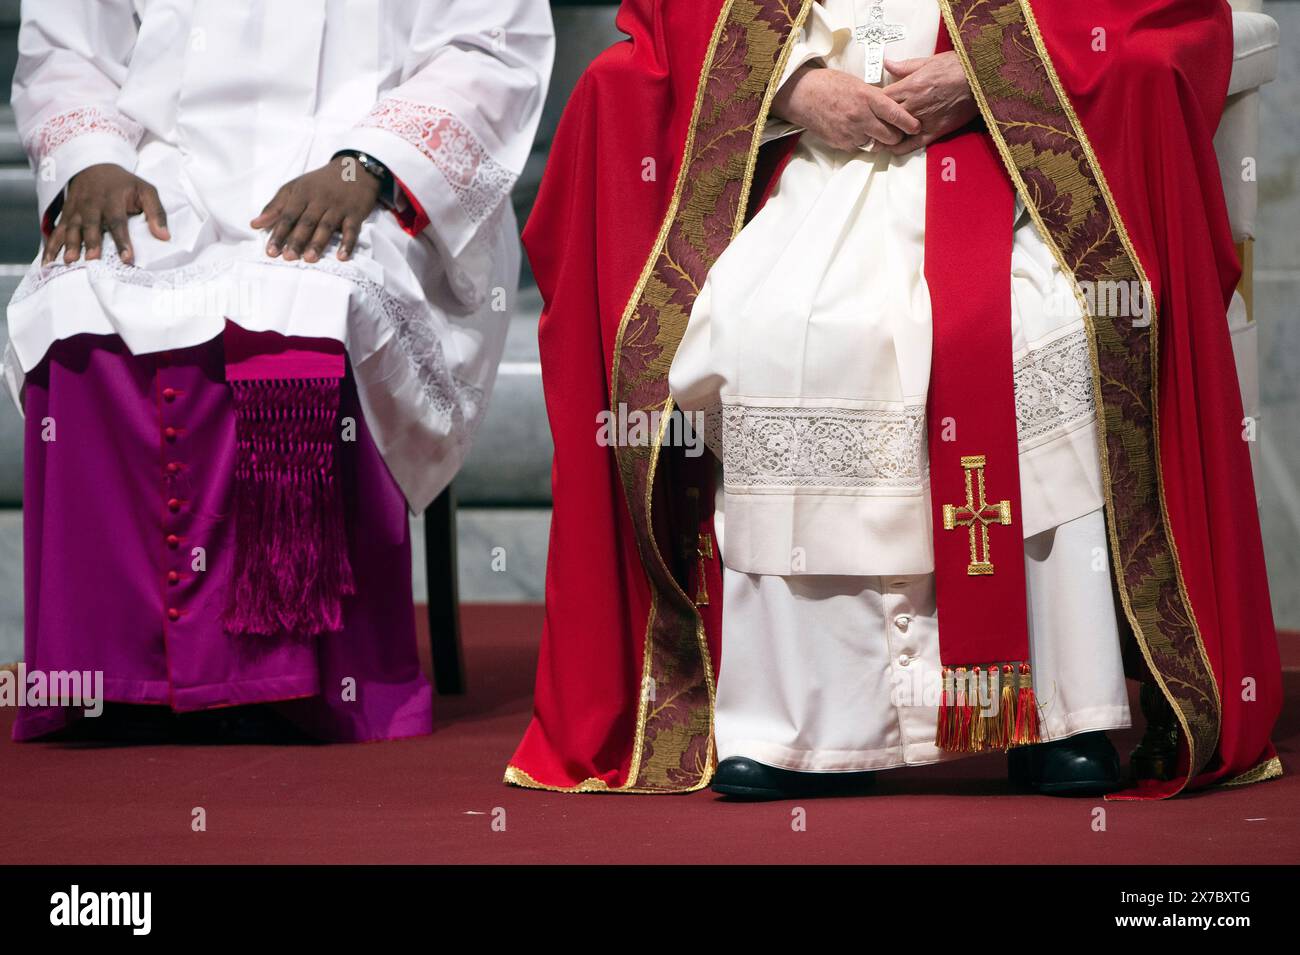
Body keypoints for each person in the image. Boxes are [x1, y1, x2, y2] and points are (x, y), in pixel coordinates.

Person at [506, 0, 1281, 800]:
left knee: (1030, 323)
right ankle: (805, 722)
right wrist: (791, 84)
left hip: (1009, 152)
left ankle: (1053, 710)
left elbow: (1153, 18)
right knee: (776, 326)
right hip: (807, 156)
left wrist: (993, 74)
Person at [6, 0, 553, 742]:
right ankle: (111, 677)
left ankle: (299, 681)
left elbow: (492, 48)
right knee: (76, 298)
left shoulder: (372, 165)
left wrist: (372, 164)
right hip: (160, 171)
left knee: (314, 296)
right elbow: (68, 43)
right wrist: (91, 158)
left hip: (366, 170)